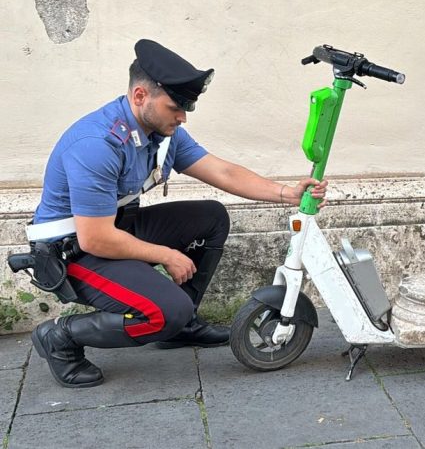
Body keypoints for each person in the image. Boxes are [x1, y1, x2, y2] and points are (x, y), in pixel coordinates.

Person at [27, 39, 328, 388]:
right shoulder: (97, 144)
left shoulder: (162, 133)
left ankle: (180, 326)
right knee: (166, 311)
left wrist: (286, 192)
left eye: (187, 108)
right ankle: (60, 337)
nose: (182, 117)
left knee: (212, 217)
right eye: (175, 107)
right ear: (141, 96)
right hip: (73, 251)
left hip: (115, 229)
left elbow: (223, 172)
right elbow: (95, 238)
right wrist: (165, 254)